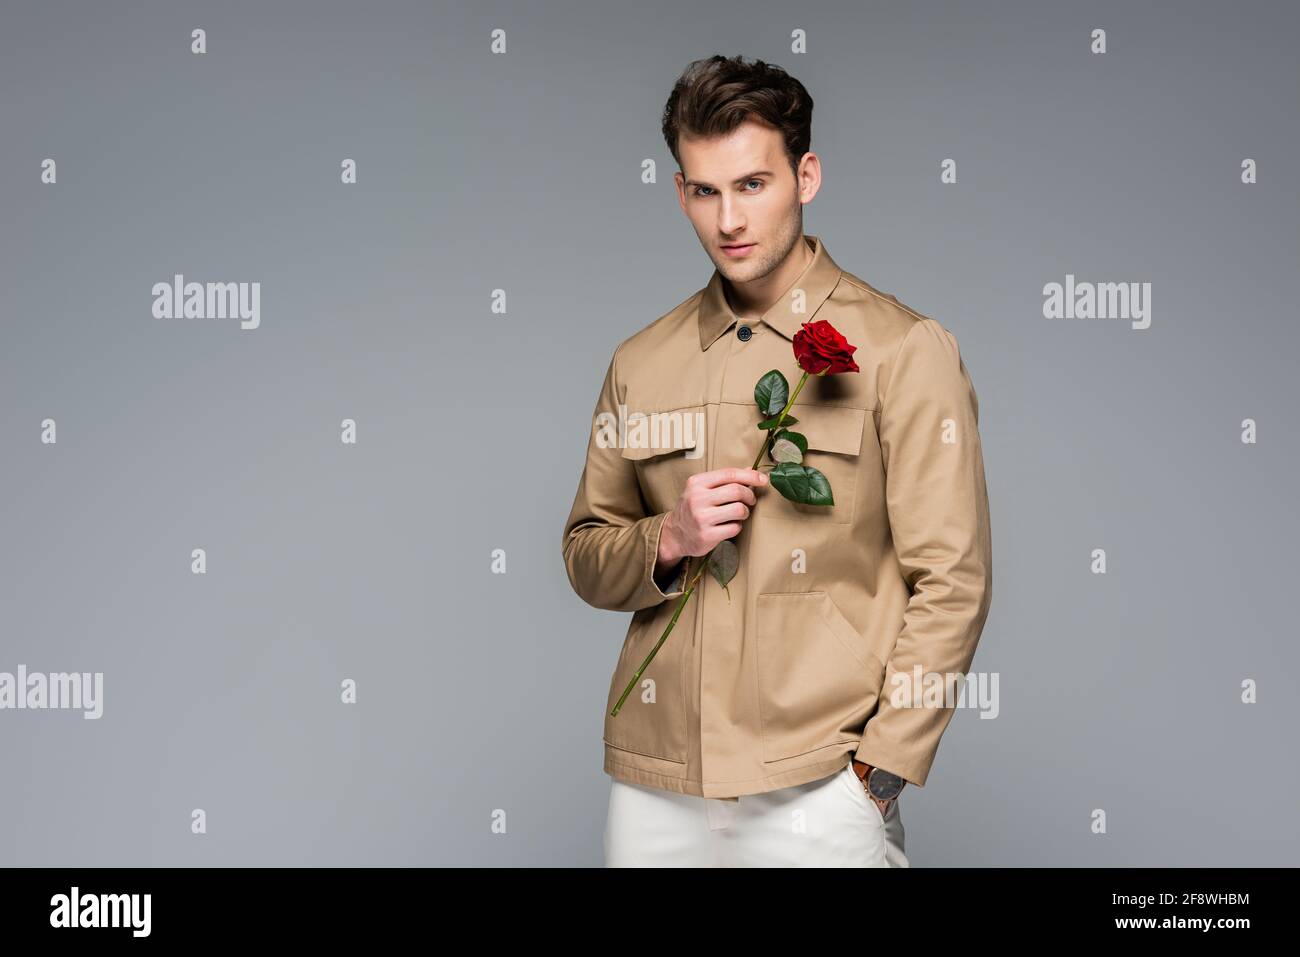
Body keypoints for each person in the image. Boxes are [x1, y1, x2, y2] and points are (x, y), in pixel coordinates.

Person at [560, 54, 993, 867]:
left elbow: (954, 579)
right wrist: (668, 539)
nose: (728, 219)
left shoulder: (904, 349)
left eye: (753, 185)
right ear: (680, 190)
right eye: (704, 190)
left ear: (807, 175)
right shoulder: (639, 362)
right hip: (657, 788)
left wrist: (879, 772)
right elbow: (586, 552)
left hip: (820, 786)